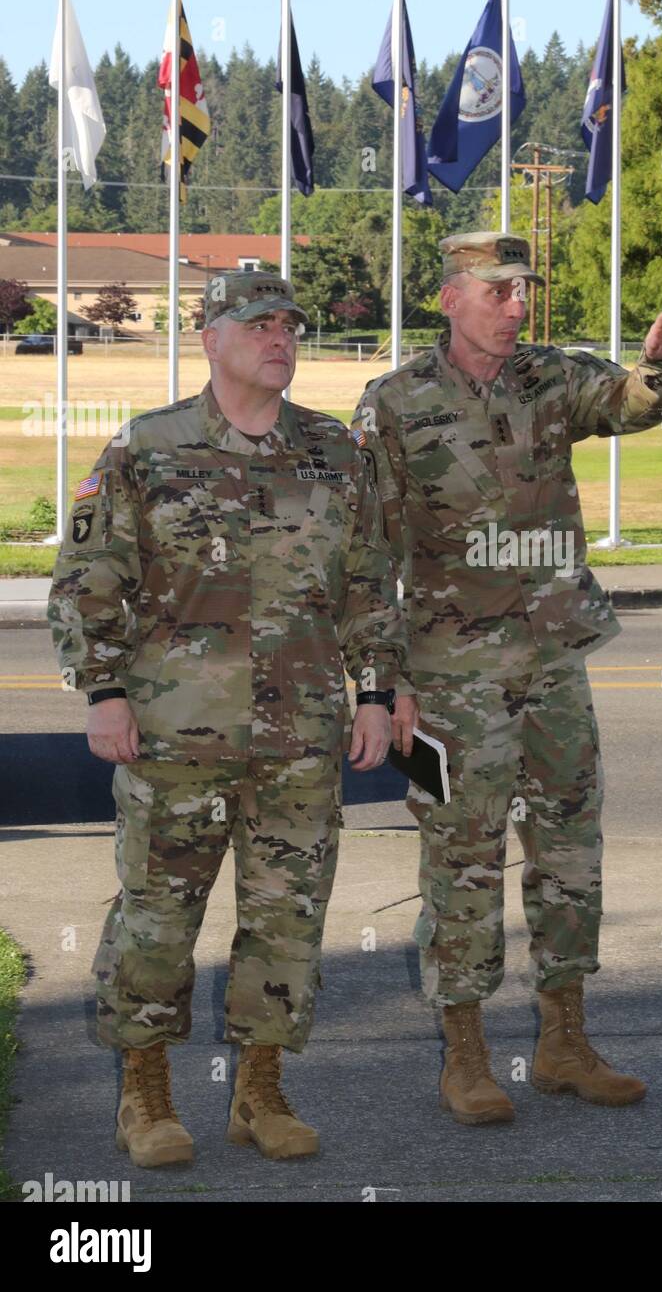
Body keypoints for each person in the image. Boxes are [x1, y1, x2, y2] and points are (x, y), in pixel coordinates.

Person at [48, 270, 415, 1167]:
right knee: (158, 918)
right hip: (175, 734)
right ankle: (147, 1098)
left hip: (300, 737)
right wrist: (102, 691)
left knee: (287, 916)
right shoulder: (149, 447)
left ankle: (260, 1093)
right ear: (212, 338)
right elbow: (88, 582)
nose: (280, 339)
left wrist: (374, 693)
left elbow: (369, 588)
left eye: (290, 324)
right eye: (259, 325)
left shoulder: (334, 452)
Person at [353, 231, 662, 1124]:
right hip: (446, 675)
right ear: (450, 297)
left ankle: (564, 1042)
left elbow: (627, 403)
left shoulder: (550, 377)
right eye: (499, 290)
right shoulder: (394, 403)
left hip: (552, 662)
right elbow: (369, 553)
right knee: (461, 858)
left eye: (523, 290)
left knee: (570, 851)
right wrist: (384, 684)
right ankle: (465, 1055)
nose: (517, 306)